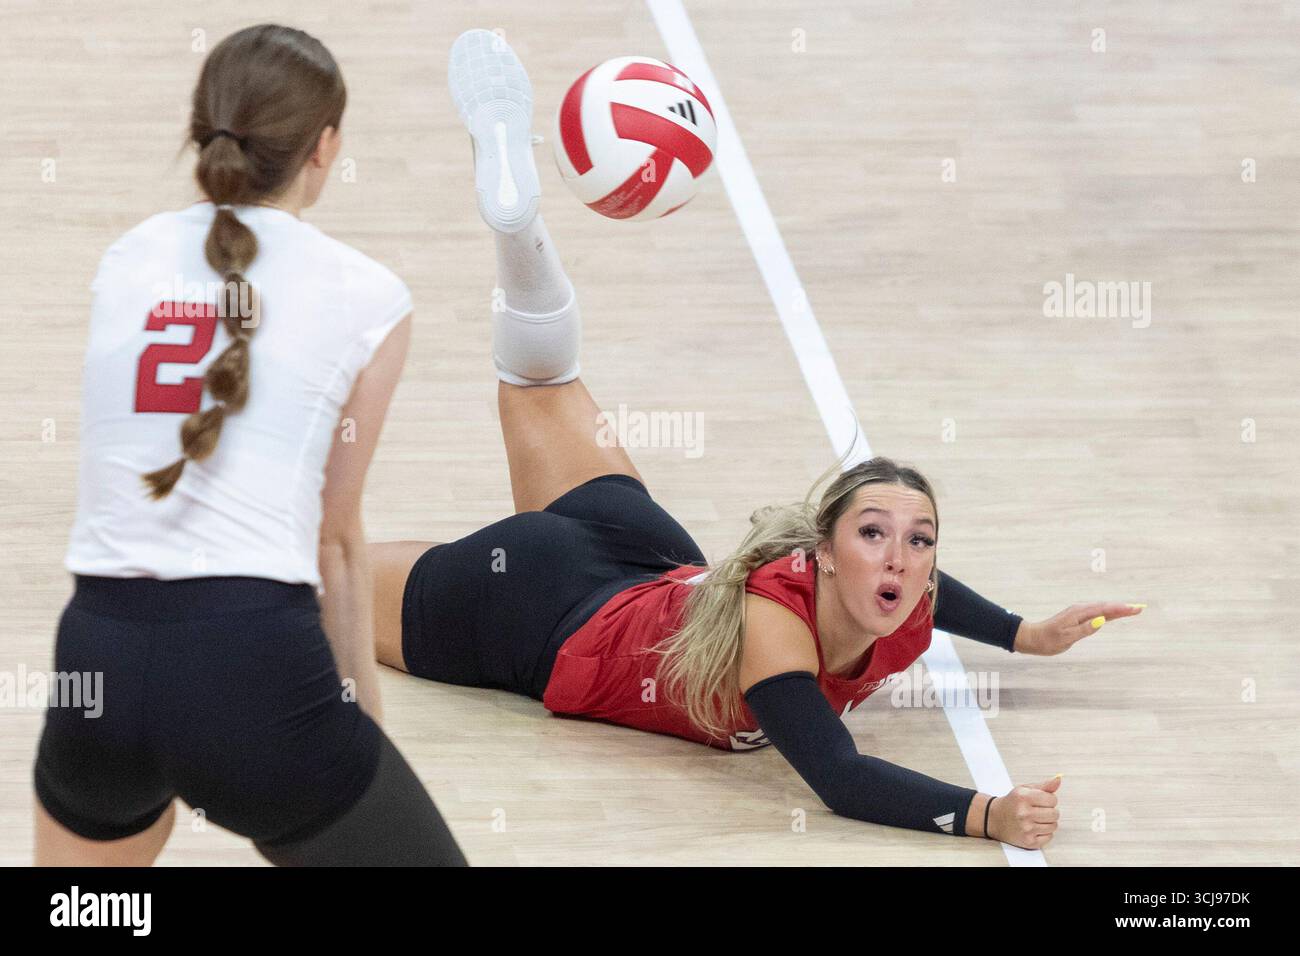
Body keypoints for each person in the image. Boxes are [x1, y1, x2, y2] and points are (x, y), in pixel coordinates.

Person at [368, 29, 1145, 852]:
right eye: (874, 535)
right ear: (823, 552)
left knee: (540, 381)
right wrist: (986, 813)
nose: (901, 560)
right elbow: (840, 780)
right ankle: (511, 219)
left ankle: (515, 227)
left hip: (640, 554)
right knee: (308, 580)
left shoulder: (900, 596)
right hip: (538, 612)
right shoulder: (773, 631)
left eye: (918, 542)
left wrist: (1028, 634)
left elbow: (932, 590)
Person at [34, 23, 466, 866]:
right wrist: (362, 742)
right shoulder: (368, 296)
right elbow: (335, 542)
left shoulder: (126, 259)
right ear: (325, 144)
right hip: (249, 669)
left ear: (206, 126)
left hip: (99, 657)